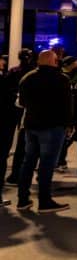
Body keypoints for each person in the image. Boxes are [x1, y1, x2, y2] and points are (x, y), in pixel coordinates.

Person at [15, 50, 74, 213]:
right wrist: (69, 124)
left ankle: (22, 199)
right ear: (53, 61)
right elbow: (67, 104)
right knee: (47, 165)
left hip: (31, 126)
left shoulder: (27, 78)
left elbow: (22, 102)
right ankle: (45, 200)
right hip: (53, 126)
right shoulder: (62, 79)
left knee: (28, 162)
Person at [2, 49, 34, 192]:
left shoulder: (13, 71)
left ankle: (14, 174)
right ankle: (17, 173)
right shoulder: (33, 73)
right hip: (26, 109)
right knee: (23, 143)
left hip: (11, 109)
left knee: (7, 141)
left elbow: (4, 89)